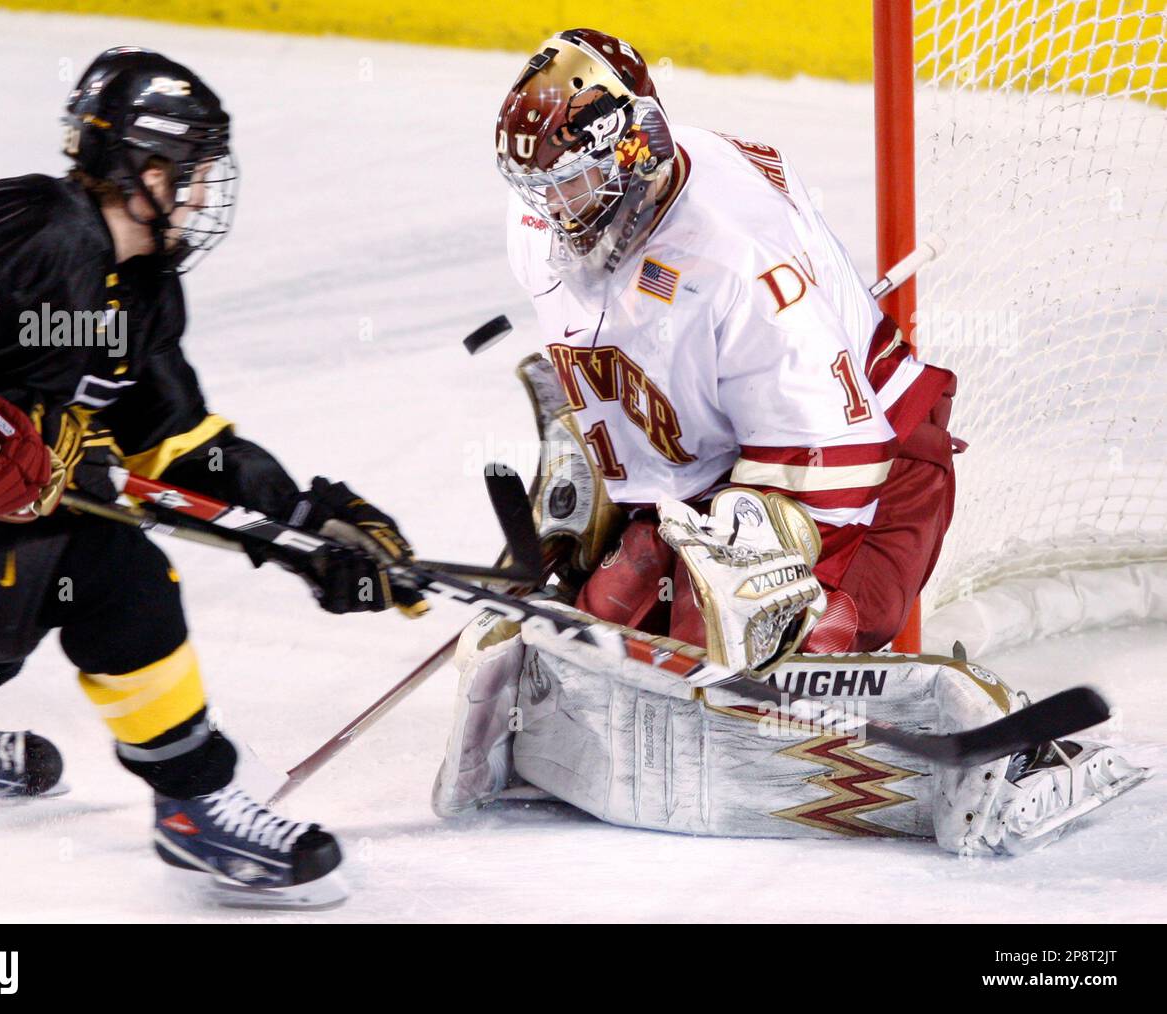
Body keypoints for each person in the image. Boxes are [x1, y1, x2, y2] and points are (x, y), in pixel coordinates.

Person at [432, 28, 1147, 855]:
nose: (554, 209)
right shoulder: (552, 218)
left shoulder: (740, 259)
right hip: (719, 462)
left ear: (635, 149)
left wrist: (772, 608)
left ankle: (1014, 753)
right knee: (615, 598)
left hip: (873, 471)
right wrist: (613, 491)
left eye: (575, 181)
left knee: (749, 637)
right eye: (541, 186)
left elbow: (838, 461)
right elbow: (612, 347)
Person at [0, 47, 417, 905]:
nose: (202, 194)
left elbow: (178, 446)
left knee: (27, 557)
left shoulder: (139, 293)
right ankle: (196, 801)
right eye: (193, 170)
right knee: (101, 562)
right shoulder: (38, 229)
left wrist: (310, 526)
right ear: (145, 166)